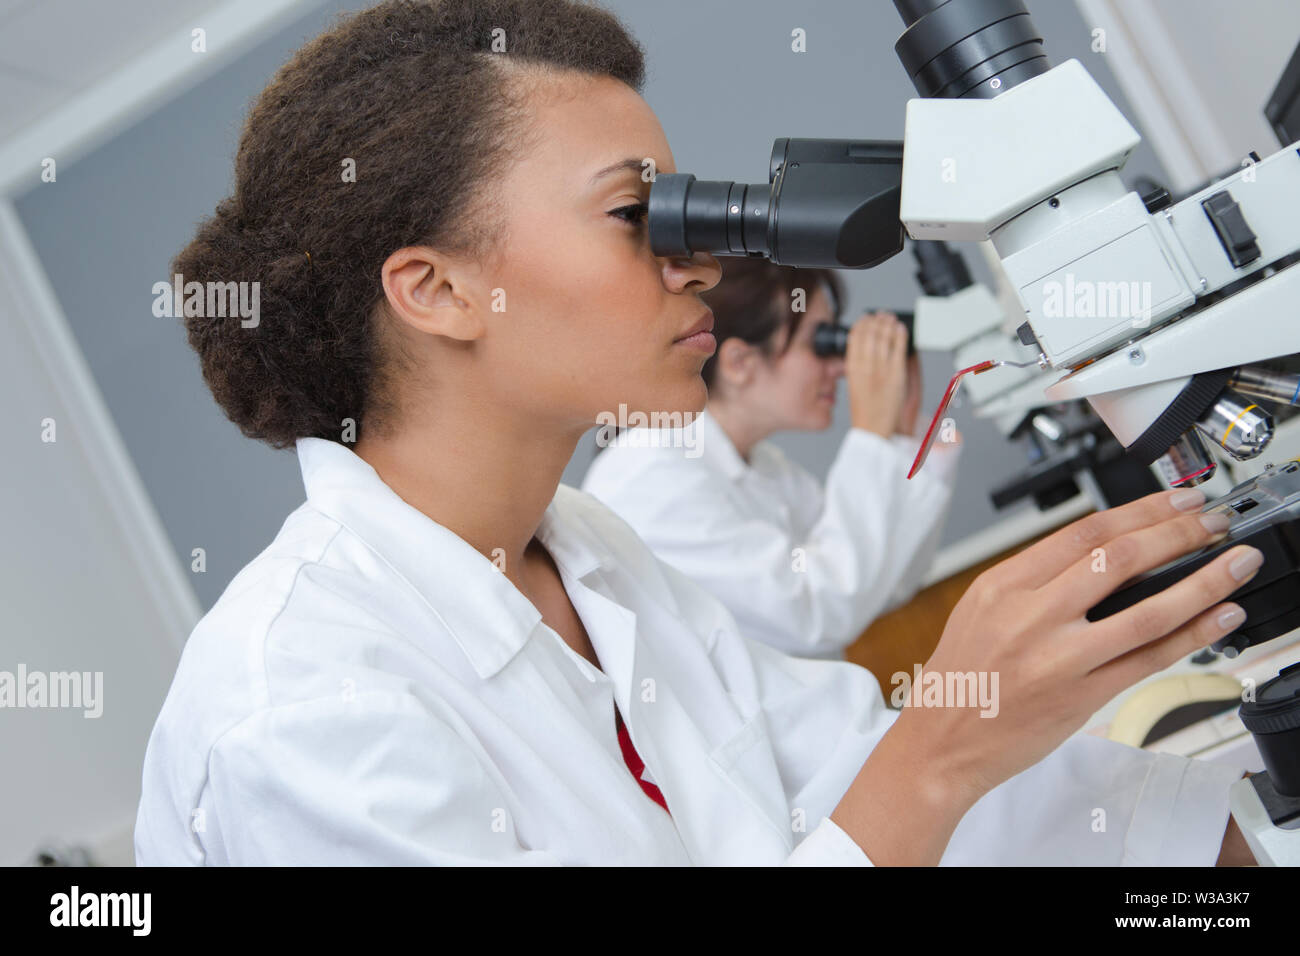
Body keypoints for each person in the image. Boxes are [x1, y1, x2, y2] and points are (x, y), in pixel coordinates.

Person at [135, 0, 1258, 866]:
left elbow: (868, 769)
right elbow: (912, 775)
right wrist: (947, 742)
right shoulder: (305, 704)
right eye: (636, 214)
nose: (704, 263)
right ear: (436, 290)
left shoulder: (595, 560)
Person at [582, 256, 960, 660]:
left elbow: (885, 584)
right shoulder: (650, 474)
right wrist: (870, 439)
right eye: (821, 343)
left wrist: (900, 439)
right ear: (740, 364)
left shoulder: (766, 468)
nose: (841, 367)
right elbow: (818, 614)